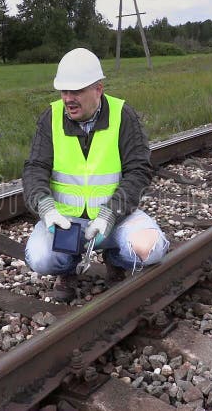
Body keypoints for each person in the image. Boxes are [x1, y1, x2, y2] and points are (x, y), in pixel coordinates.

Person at [22, 47, 169, 302]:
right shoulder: (51, 117)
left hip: (116, 219)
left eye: (76, 91)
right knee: (41, 258)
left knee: (149, 250)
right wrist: (47, 209)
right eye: (64, 91)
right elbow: (35, 168)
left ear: (98, 89)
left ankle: (115, 259)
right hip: (66, 223)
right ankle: (68, 268)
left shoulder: (123, 115)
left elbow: (139, 170)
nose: (68, 99)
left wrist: (110, 212)